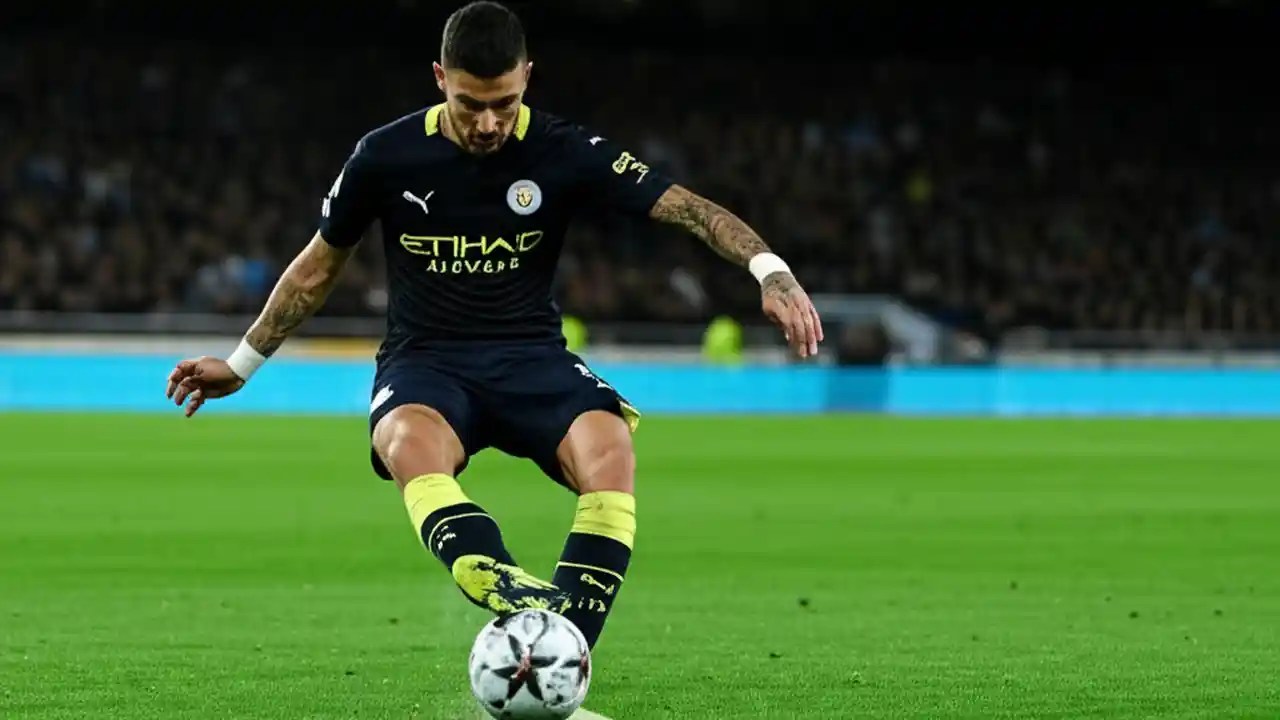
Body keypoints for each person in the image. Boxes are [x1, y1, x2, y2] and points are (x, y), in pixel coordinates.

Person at [165, 0, 823, 651]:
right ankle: (492, 572)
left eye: (504, 103)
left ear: (527, 78)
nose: (487, 123)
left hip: (531, 357)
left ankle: (561, 647)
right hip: (426, 361)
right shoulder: (384, 157)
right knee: (405, 443)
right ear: (439, 79)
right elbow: (316, 270)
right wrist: (243, 362)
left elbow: (689, 210)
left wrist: (770, 269)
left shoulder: (564, 149)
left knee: (611, 447)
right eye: (470, 103)